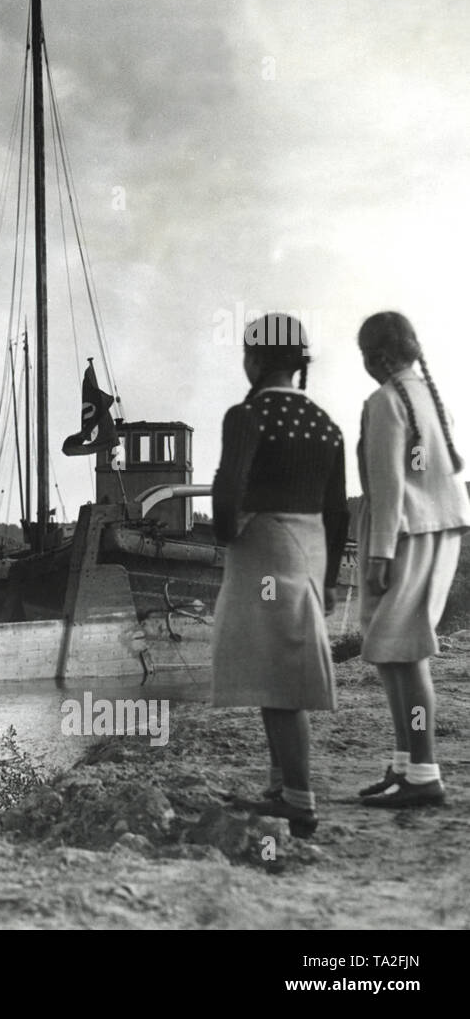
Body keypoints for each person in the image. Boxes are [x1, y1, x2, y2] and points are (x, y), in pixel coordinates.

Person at [211, 313, 349, 838]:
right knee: (285, 665)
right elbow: (338, 511)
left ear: (256, 360)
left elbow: (228, 489)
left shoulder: (247, 416)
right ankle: (279, 784)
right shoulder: (326, 425)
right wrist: (332, 579)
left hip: (265, 547)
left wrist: (227, 530)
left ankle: (298, 799)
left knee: (277, 678)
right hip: (310, 550)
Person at [354, 311, 470, 808]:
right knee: (393, 653)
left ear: (378, 357)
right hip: (437, 529)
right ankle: (406, 764)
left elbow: (388, 484)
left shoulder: (385, 402)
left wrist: (379, 553)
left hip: (406, 533)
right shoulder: (423, 395)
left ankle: (423, 773)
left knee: (406, 654)